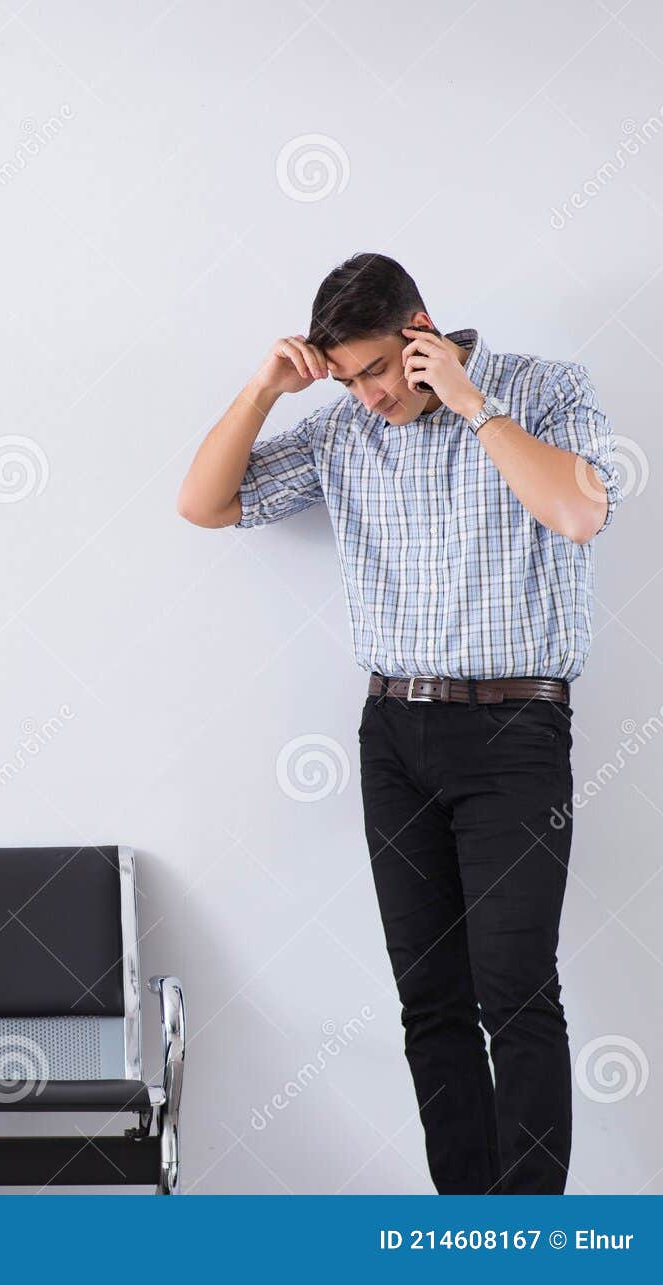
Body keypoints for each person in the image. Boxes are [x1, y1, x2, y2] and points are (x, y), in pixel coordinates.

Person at [175, 252, 625, 1194]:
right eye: (347, 378)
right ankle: (468, 1230)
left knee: (516, 990)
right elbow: (203, 503)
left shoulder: (544, 389)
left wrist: (472, 405)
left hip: (516, 735)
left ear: (419, 330)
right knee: (432, 1000)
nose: (368, 395)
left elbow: (580, 512)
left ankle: (530, 1243)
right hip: (396, 737)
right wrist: (265, 387)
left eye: (377, 368)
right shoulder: (345, 434)